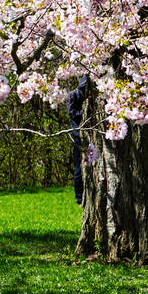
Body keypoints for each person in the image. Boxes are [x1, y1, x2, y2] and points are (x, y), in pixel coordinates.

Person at [67, 76, 89, 204]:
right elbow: (72, 114)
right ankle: (79, 197)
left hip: (89, 135)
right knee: (78, 169)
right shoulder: (73, 95)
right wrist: (86, 113)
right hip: (78, 136)